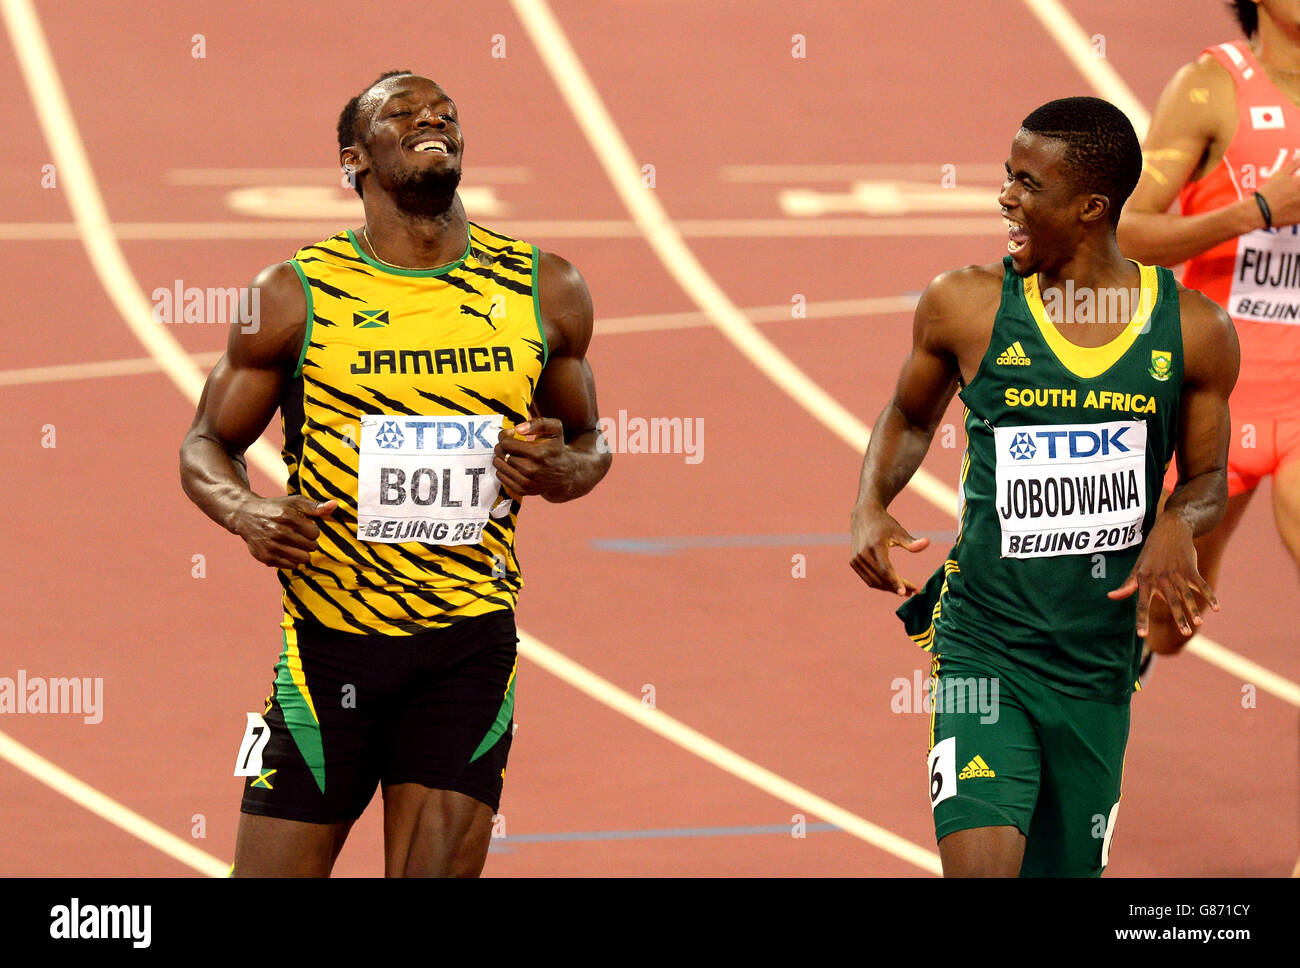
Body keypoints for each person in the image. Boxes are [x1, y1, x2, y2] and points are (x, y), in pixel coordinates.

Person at [179, 70, 610, 877]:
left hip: (467, 645)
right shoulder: (292, 294)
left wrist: (559, 470)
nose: (431, 117)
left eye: (444, 110)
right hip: (328, 650)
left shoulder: (545, 288)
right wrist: (245, 512)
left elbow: (592, 443)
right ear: (355, 160)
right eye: (401, 113)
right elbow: (206, 442)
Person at [849, 97, 1239, 876]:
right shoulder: (966, 305)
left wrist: (1176, 523)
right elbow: (909, 416)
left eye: (1028, 183)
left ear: (1091, 207)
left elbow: (1205, 479)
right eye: (1006, 177)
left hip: (1096, 665)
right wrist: (871, 504)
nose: (1005, 198)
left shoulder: (1193, 330)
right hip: (983, 644)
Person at [1116, 0, 1300, 878]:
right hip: (1216, 392)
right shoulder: (1208, 91)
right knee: (1170, 617)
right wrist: (1257, 209)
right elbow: (1126, 231)